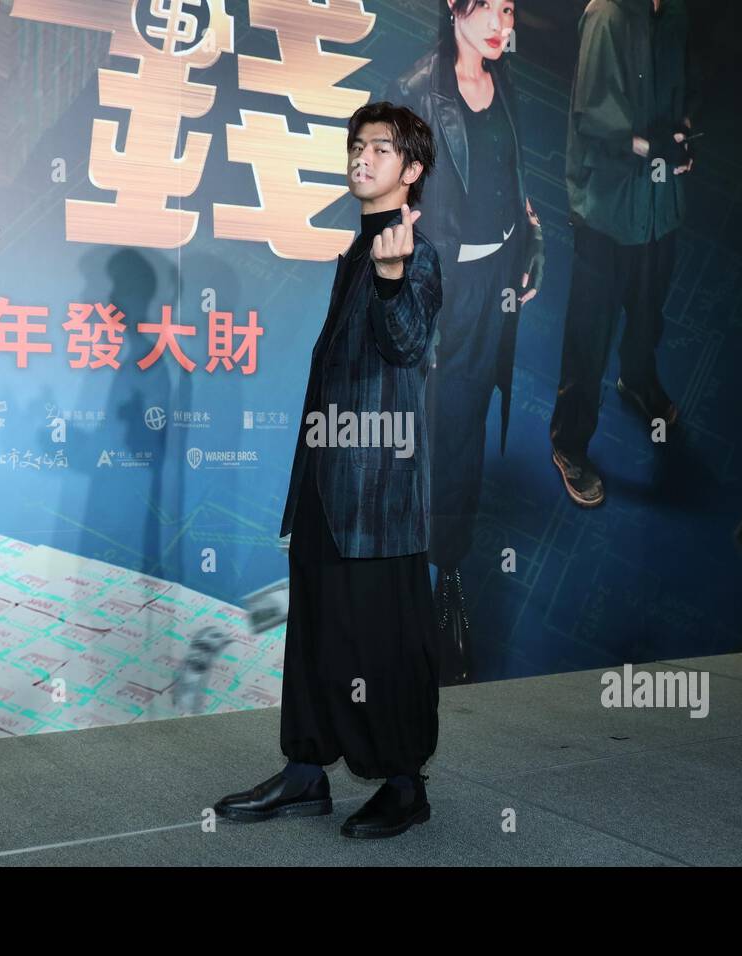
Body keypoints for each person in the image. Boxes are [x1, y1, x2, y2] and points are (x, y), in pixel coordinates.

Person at [214, 102, 444, 839]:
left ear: (410, 172)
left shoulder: (413, 251)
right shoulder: (355, 250)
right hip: (325, 484)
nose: (361, 158)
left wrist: (391, 276)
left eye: (381, 149)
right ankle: (307, 774)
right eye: (356, 146)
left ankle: (406, 785)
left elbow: (407, 341)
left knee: (383, 640)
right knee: (314, 634)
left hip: (379, 494)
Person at [386, 0, 544, 683]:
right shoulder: (418, 91)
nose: (504, 24)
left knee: (470, 422)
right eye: (492, 10)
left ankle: (448, 574)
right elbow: (387, 198)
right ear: (456, 9)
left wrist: (529, 245)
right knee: (431, 426)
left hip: (493, 288)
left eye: (510, 10)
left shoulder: (503, 85)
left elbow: (513, 184)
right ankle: (403, 587)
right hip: (441, 291)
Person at [551, 0, 699, 507]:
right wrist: (653, 146)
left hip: (659, 206)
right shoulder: (608, 16)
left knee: (649, 307)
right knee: (589, 332)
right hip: (607, 210)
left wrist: (682, 136)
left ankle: (636, 378)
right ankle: (569, 443)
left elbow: (680, 96)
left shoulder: (676, 14)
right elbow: (593, 119)